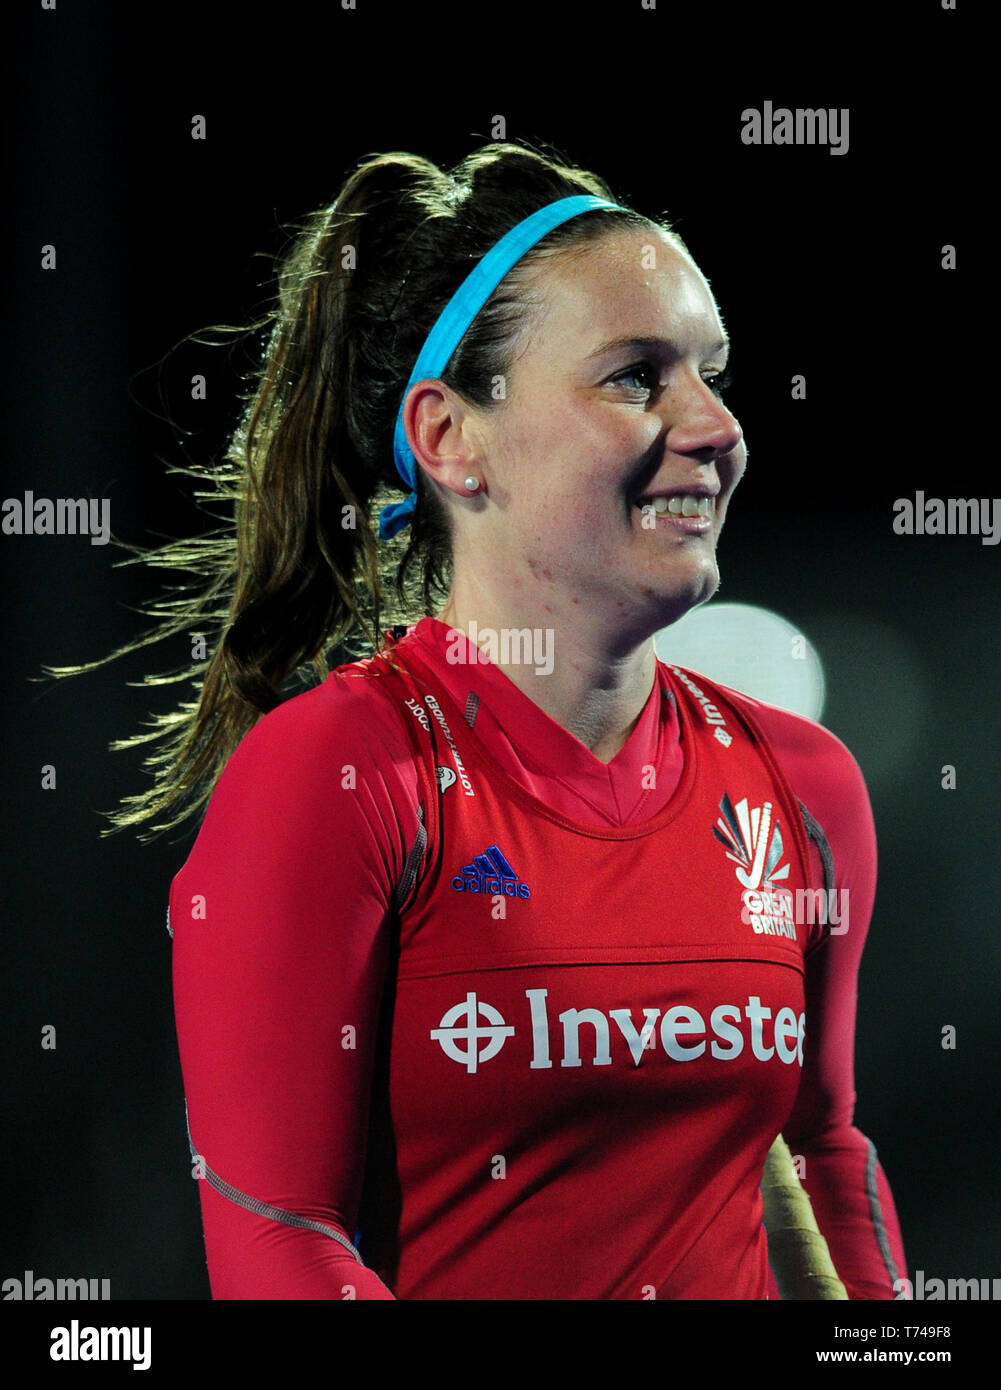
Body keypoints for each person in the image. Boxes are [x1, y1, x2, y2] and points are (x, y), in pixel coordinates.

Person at [85, 140, 909, 1298]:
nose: (715, 424)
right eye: (634, 377)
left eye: (709, 370)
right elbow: (279, 1238)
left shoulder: (801, 783)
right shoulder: (337, 770)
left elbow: (820, 1153)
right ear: (450, 441)